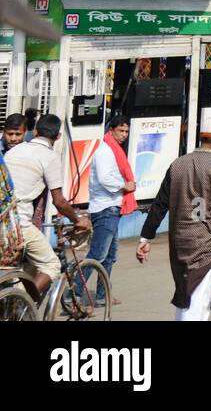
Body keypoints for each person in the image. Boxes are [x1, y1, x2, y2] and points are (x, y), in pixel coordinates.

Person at [137, 122, 211, 321]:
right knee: (197, 299)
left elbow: (160, 204)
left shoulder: (177, 164)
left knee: (188, 295)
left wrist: (145, 237)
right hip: (206, 245)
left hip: (179, 244)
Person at [6, 114, 92, 304]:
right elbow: (59, 201)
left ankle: (15, 303)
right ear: (58, 136)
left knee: (23, 269)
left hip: (5, 223)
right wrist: (78, 218)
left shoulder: (14, 151)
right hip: (19, 223)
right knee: (52, 265)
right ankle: (24, 303)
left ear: (34, 131)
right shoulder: (50, 157)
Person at [87, 115, 136, 305]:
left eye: (126, 132)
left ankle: (102, 295)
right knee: (98, 254)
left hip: (113, 207)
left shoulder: (114, 151)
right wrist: (126, 185)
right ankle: (73, 291)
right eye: (121, 131)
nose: (123, 135)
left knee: (109, 256)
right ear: (111, 129)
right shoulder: (105, 151)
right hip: (105, 207)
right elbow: (105, 179)